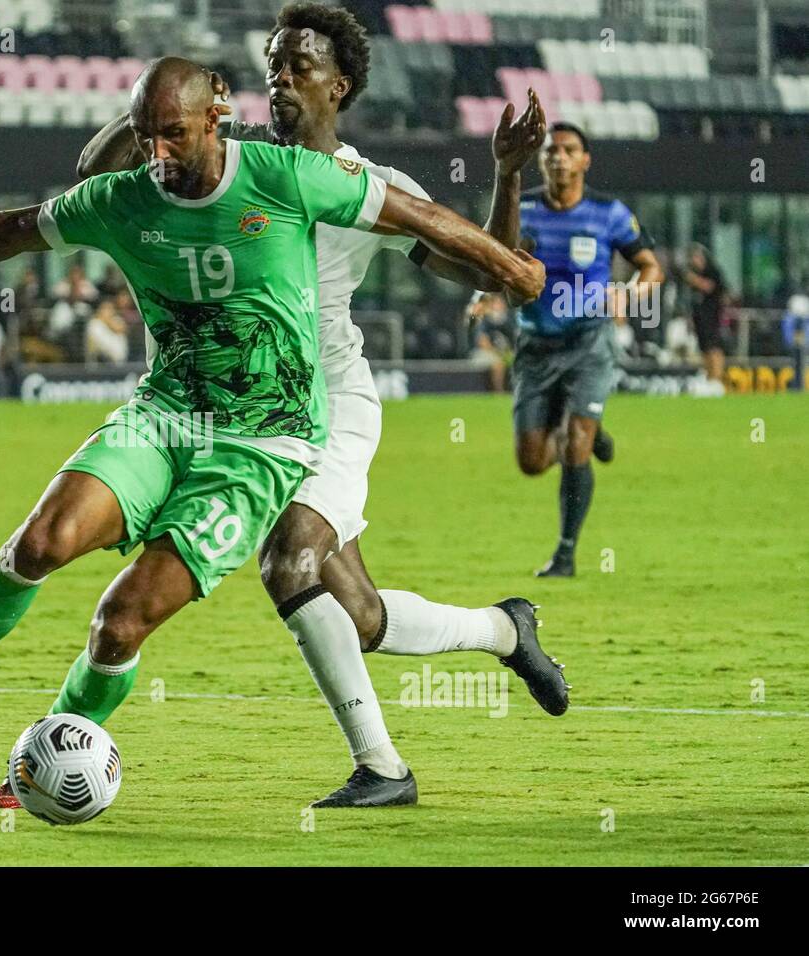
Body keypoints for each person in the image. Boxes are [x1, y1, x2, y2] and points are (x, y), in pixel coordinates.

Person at [0, 57, 552, 809]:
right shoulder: (123, 197)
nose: (156, 153)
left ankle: (55, 751)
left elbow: (422, 219)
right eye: (143, 135)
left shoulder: (286, 178)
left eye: (172, 135)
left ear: (213, 121)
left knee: (122, 622)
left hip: (265, 441)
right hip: (164, 416)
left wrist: (510, 266)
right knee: (37, 545)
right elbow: (9, 230)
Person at [73, 3, 567, 808]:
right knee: (360, 615)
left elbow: (486, 271)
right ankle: (505, 628)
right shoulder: (216, 160)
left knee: (289, 559)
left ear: (339, 86)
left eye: (298, 66)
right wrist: (157, 108)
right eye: (272, 64)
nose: (281, 78)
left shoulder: (375, 187)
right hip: (244, 409)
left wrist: (509, 174)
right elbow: (92, 182)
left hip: (332, 398)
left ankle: (383, 769)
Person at [515, 121, 664, 577]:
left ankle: (565, 554)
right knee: (532, 461)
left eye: (568, 150)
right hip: (537, 345)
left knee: (575, 445)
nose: (558, 157)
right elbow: (495, 261)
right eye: (550, 151)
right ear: (542, 161)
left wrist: (629, 294)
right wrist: (484, 295)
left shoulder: (610, 213)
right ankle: (589, 428)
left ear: (584, 161)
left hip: (590, 341)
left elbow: (651, 269)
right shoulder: (521, 211)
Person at [682, 243, 727, 387]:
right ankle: (709, 378)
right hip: (699, 316)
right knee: (705, 348)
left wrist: (693, 280)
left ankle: (717, 379)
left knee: (714, 347)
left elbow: (710, 287)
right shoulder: (695, 272)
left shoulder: (712, 271)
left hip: (711, 315)